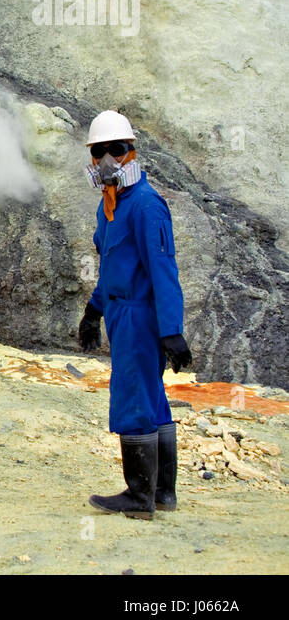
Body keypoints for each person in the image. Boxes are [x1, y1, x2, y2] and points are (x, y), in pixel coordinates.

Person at [77, 110, 192, 519]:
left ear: (132, 152)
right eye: (100, 151)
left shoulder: (145, 206)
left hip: (141, 319)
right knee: (154, 399)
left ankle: (138, 497)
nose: (108, 159)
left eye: (117, 150)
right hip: (119, 312)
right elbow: (111, 268)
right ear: (92, 157)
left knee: (133, 397)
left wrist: (171, 331)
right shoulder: (109, 207)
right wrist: (94, 310)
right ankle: (162, 494)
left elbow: (164, 271)